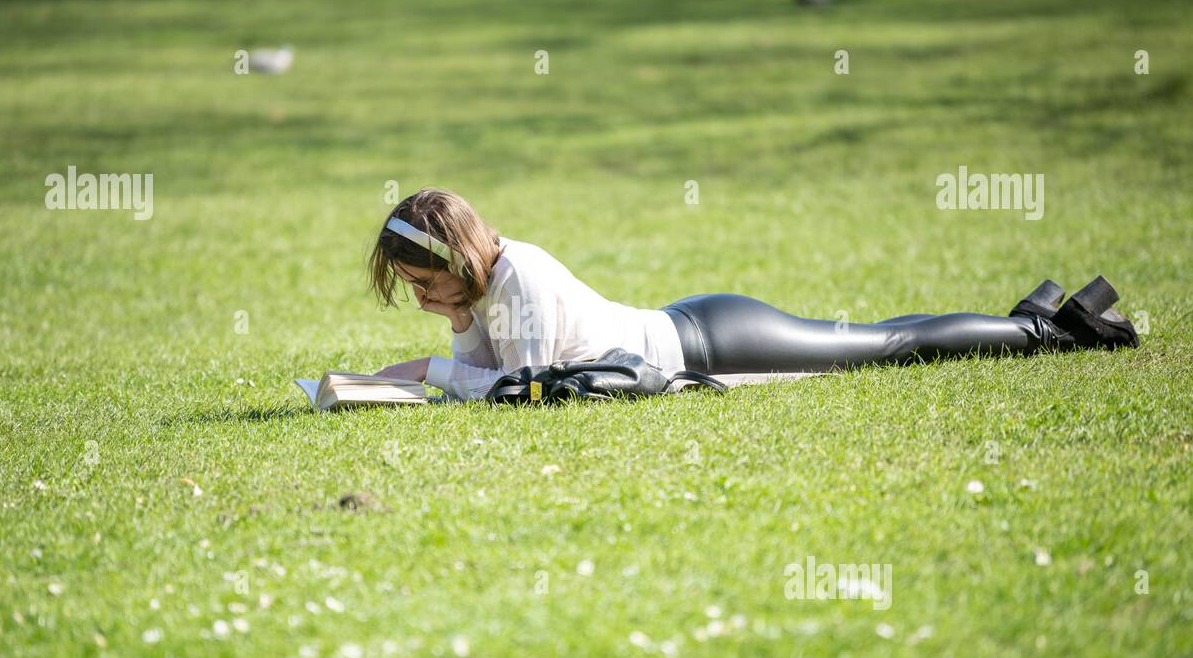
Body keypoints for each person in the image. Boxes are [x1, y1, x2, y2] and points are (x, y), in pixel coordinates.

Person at [368, 188, 1139, 402]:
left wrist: (431, 371)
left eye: (426, 281)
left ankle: (1053, 331)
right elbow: (507, 378)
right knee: (880, 336)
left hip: (717, 338)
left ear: (459, 254)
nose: (424, 296)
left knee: (885, 345)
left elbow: (519, 390)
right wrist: (459, 322)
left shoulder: (522, 275)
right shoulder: (489, 287)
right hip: (696, 324)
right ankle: (1031, 321)